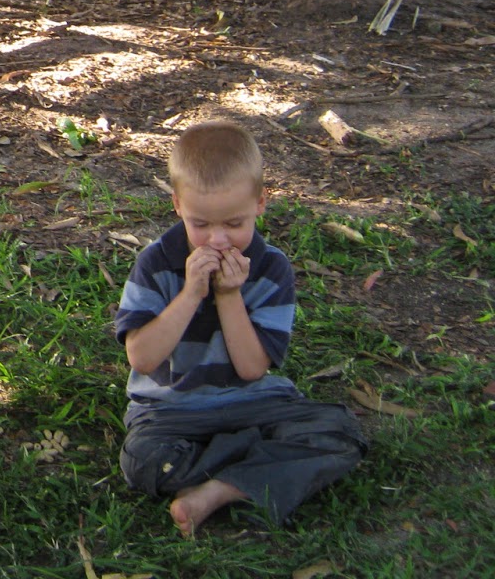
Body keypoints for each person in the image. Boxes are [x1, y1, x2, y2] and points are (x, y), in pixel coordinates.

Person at [114, 120, 367, 536]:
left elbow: (252, 369)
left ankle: (216, 490)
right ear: (177, 205)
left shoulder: (271, 268)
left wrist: (229, 296)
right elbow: (142, 357)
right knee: (143, 461)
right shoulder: (156, 263)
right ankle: (257, 462)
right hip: (170, 411)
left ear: (261, 203)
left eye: (234, 224)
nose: (217, 240)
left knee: (340, 432)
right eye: (201, 224)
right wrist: (191, 294)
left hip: (253, 401)